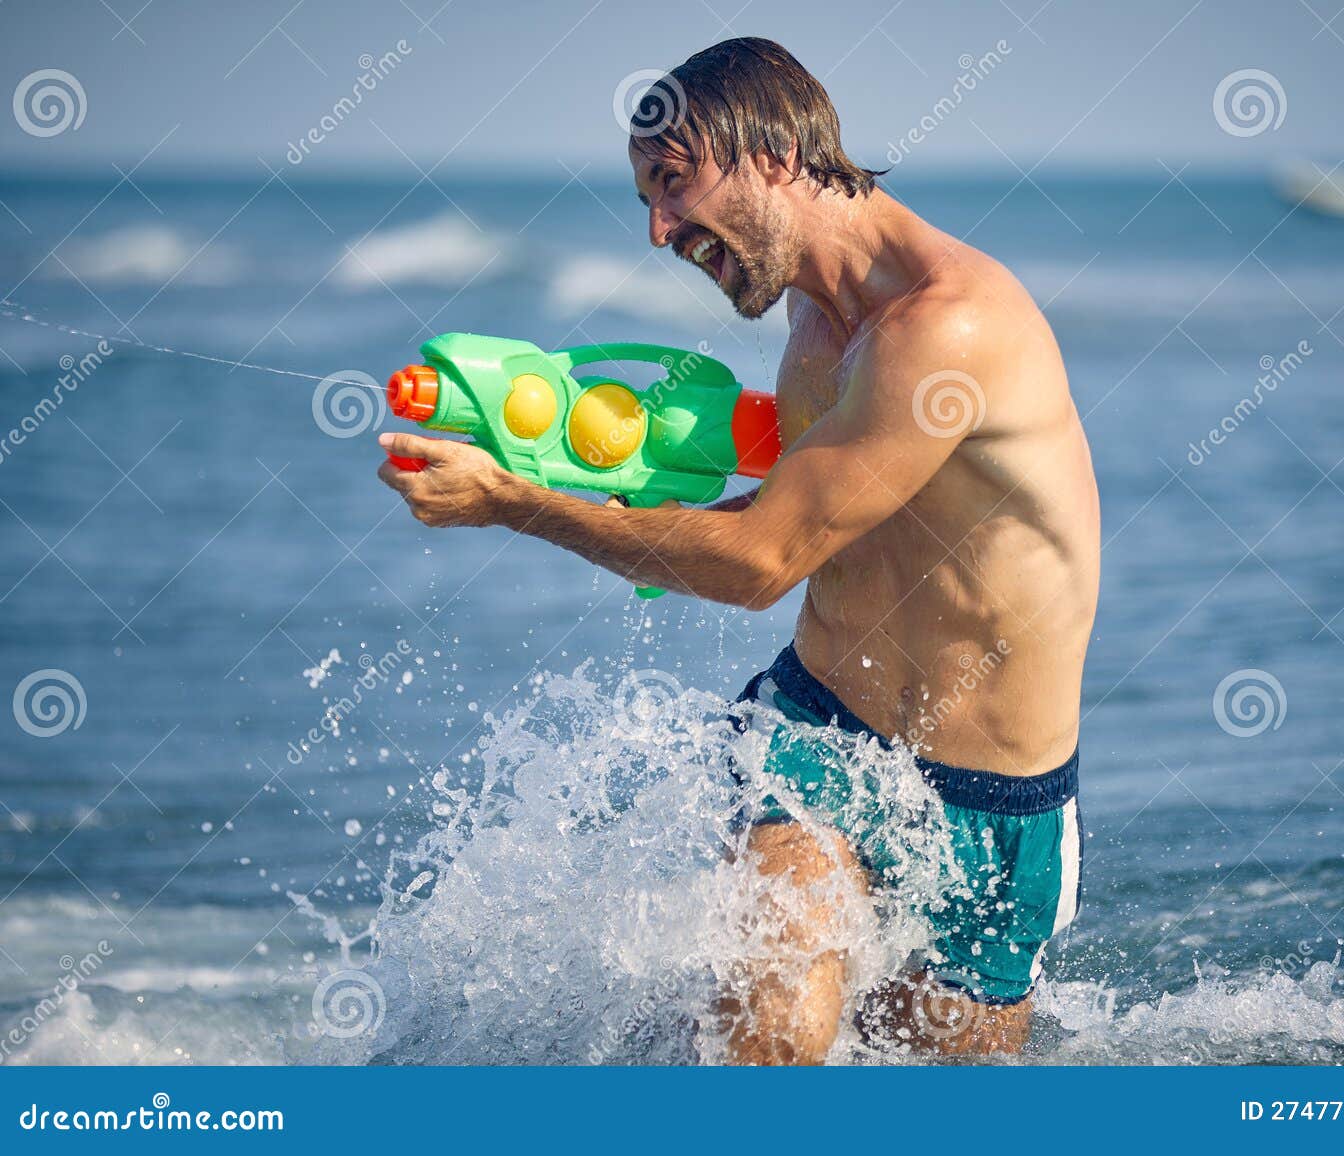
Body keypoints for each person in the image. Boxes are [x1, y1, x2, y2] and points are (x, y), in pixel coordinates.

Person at [377, 36, 1100, 1063]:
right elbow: (817, 515)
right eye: (646, 198)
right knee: (769, 1036)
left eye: (672, 185)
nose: (658, 229)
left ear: (770, 151)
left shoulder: (947, 328)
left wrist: (512, 502)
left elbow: (761, 561)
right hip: (822, 735)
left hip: (997, 799)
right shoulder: (813, 317)